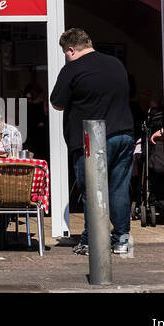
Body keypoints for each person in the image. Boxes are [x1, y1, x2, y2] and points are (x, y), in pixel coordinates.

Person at [50, 28, 135, 256]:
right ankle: (121, 240)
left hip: (92, 139)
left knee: (92, 191)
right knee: (119, 188)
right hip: (124, 134)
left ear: (71, 49)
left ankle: (91, 241)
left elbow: (57, 103)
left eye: (66, 53)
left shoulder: (73, 68)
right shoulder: (116, 64)